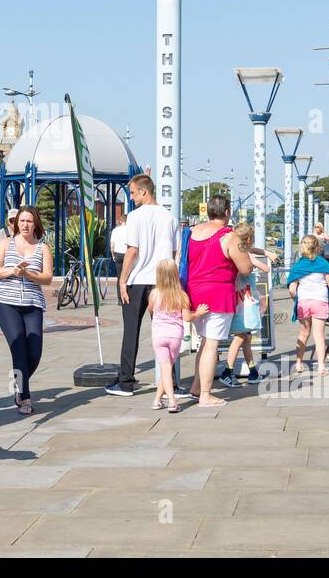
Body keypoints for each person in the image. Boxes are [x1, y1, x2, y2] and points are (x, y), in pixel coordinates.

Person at [108, 173, 180, 396]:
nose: (131, 197)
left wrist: (122, 279)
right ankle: (172, 384)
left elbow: (132, 250)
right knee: (168, 330)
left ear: (143, 192)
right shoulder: (170, 217)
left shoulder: (136, 217)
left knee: (131, 331)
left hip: (138, 280)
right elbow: (176, 254)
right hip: (162, 281)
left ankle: (126, 383)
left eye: (132, 193)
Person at [182, 196, 252, 406]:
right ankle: (205, 394)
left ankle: (196, 387)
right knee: (212, 345)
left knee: (204, 342)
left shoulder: (192, 232)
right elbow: (245, 269)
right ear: (227, 212)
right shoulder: (229, 237)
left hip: (193, 292)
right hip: (218, 294)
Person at [0, 205, 53, 414]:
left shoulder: (43, 248)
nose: (25, 224)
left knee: (34, 352)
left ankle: (18, 381)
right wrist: (12, 271)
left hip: (33, 303)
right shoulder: (6, 244)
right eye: (22, 221)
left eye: (29, 221)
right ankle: (24, 397)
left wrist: (29, 275)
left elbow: (48, 277)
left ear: (36, 224)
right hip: (7, 302)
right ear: (17, 223)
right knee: (18, 346)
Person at [218, 222, 274, 389]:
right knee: (241, 336)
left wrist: (266, 252)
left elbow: (252, 250)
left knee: (246, 337)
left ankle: (252, 372)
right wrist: (262, 259)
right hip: (245, 303)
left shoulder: (238, 250)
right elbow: (265, 268)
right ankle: (227, 372)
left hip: (239, 300)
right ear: (249, 239)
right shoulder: (246, 256)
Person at [148, 260, 205, 413]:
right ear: (175, 275)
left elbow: (151, 310)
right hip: (175, 337)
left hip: (158, 336)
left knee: (165, 369)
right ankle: (162, 400)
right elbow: (187, 318)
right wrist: (198, 313)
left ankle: (167, 401)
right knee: (167, 368)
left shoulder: (154, 294)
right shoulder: (181, 296)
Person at [286, 234, 329, 377]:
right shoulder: (323, 264)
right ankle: (321, 367)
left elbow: (292, 289)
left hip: (304, 302)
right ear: (317, 247)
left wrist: (297, 298)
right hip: (319, 301)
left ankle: (298, 363)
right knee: (319, 335)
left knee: (304, 333)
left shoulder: (299, 265)